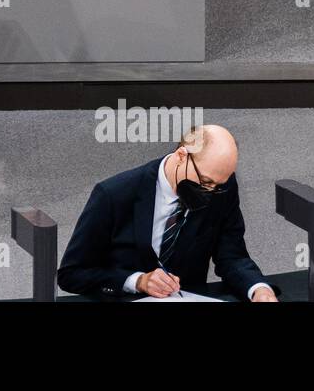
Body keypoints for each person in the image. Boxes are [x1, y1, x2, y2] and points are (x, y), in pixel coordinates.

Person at [57, 125, 280, 301]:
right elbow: (71, 274)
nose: (210, 191)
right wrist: (137, 281)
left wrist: (258, 289)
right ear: (182, 155)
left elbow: (232, 255)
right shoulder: (114, 194)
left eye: (218, 185)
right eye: (205, 181)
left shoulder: (221, 186)